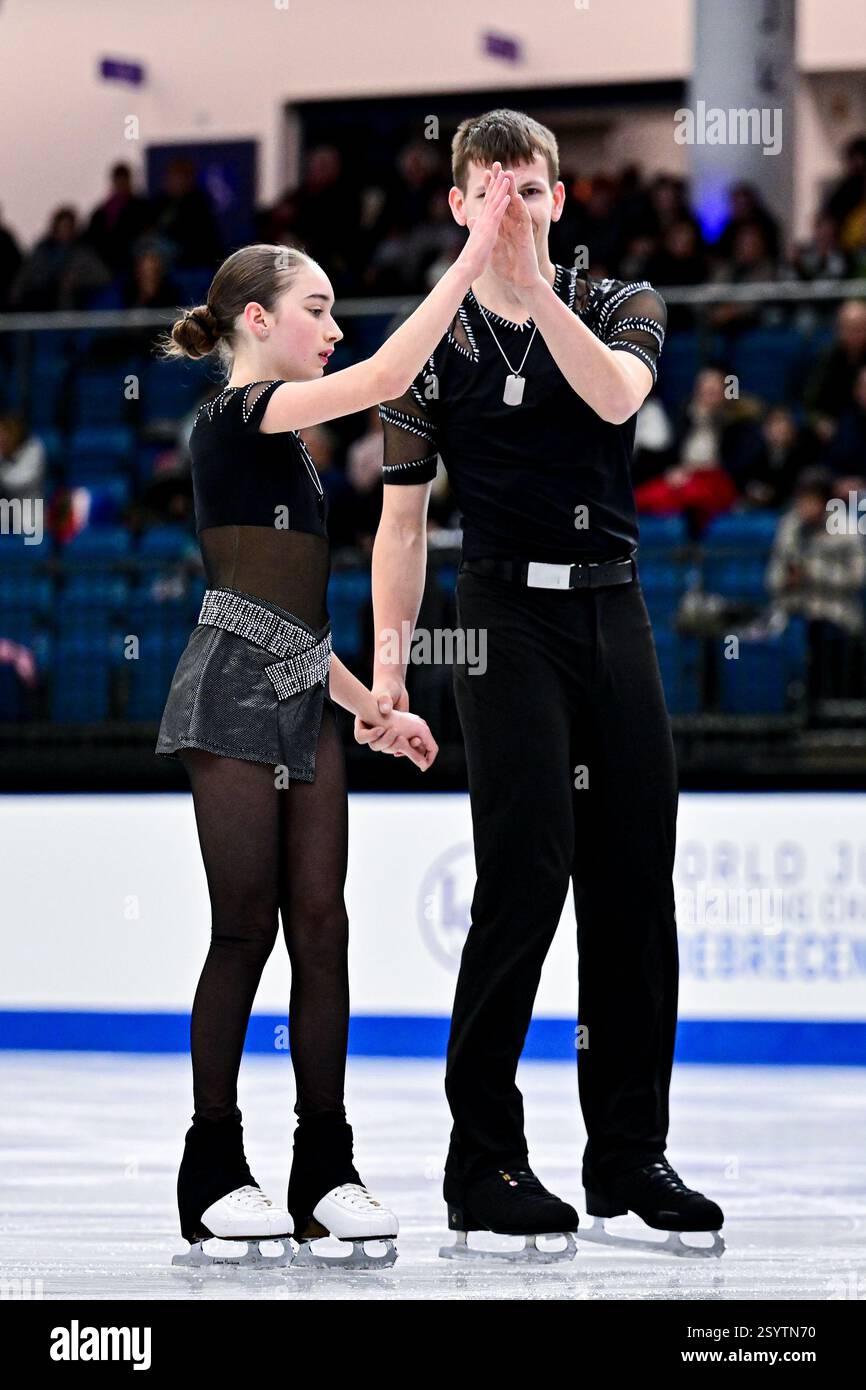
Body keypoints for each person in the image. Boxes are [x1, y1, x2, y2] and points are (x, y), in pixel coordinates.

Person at [358, 108, 725, 1260]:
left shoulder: (619, 302)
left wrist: (529, 286)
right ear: (456, 204)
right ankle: (485, 1162)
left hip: (611, 607)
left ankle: (626, 1155)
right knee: (523, 872)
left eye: (528, 190)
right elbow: (402, 521)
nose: (509, 209)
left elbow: (617, 398)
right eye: (488, 192)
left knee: (633, 879)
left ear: (557, 201)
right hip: (501, 615)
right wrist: (387, 670)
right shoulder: (427, 344)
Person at [153, 168, 511, 1268]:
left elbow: (293, 620)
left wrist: (372, 710)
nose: (332, 326)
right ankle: (213, 1164)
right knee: (243, 927)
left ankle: (324, 1168)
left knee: (324, 926)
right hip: (228, 693)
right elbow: (392, 371)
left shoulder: (296, 458)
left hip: (301, 691)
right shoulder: (237, 413)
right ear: (255, 320)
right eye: (316, 309)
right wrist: (474, 249)